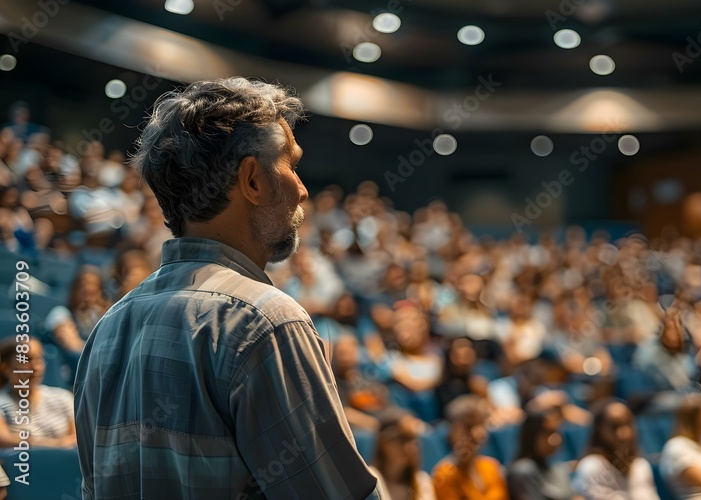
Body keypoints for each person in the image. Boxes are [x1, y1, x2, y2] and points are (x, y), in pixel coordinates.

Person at [73, 78, 378, 499]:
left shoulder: (107, 329)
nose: (303, 189)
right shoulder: (268, 321)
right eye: (291, 165)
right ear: (252, 180)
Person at [574, 399, 659, 500]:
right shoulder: (592, 466)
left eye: (627, 424)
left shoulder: (640, 465)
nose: (624, 434)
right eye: (615, 427)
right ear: (600, 430)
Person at [0, 337, 76, 448]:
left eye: (39, 359)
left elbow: (78, 440)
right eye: (26, 360)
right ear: (5, 367)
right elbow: (3, 440)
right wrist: (58, 444)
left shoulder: (63, 398)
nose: (36, 367)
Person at [432, 395, 508, 499]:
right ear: (452, 432)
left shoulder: (492, 466)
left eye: (480, 424)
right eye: (468, 426)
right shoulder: (444, 475)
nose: (477, 433)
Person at [509, 404, 576, 500]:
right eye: (548, 433)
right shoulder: (523, 470)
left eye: (556, 432)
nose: (555, 439)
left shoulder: (558, 468)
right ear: (531, 434)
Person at [370, 410, 435, 500]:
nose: (411, 447)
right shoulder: (371, 479)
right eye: (403, 439)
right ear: (383, 443)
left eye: (414, 440)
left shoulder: (422, 481)